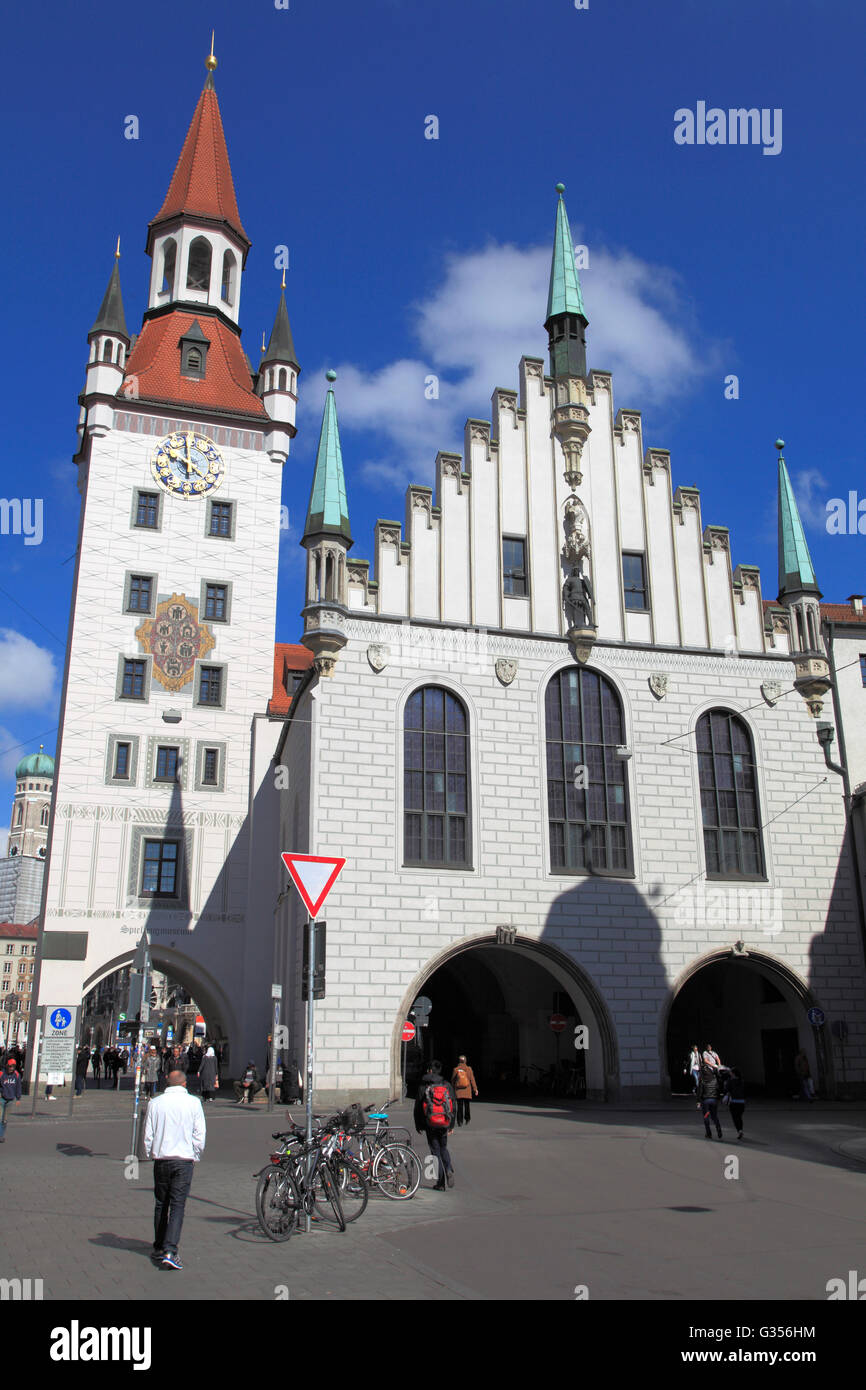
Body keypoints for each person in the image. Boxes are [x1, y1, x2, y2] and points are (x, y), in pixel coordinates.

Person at [143, 1069, 206, 1271]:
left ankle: (159, 1246)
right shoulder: (194, 1103)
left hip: (161, 1159)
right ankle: (171, 1250)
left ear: (167, 1084)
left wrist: (149, 1153)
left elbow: (148, 1133)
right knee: (178, 1205)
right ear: (185, 1084)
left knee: (161, 1203)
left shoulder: (155, 1103)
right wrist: (196, 1154)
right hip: (184, 1160)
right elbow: (200, 1133)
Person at [414, 1059, 456, 1189]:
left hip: (430, 1123)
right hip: (443, 1122)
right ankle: (448, 1168)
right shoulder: (446, 1085)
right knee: (443, 1148)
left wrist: (418, 1125)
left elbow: (418, 1107)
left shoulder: (424, 1086)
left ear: (430, 1070)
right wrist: (451, 1125)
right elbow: (453, 1105)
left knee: (435, 1151)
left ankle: (440, 1183)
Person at [451, 1055, 479, 1126]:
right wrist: (475, 1089)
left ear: (459, 1061)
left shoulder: (456, 1069)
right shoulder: (469, 1069)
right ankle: (467, 1118)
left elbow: (453, 1080)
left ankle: (460, 1121)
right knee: (467, 1105)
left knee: (459, 1106)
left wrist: (452, 1089)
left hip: (458, 1091)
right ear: (465, 1061)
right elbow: (472, 1079)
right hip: (467, 1091)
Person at [698, 1063, 723, 1140]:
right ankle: (718, 1128)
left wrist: (698, 1101)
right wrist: (718, 1098)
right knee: (714, 1116)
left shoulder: (702, 1081)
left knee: (706, 1116)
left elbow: (700, 1092)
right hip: (714, 1100)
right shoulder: (714, 1079)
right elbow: (718, 1089)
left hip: (706, 1100)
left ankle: (708, 1133)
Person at [0, 1058, 22, 1142]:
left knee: (5, 1120)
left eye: (13, 1066)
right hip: (2, 1099)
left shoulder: (16, 1075)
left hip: (10, 1099)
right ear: (7, 1066)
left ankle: (1, 1135)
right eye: (10, 1066)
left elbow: (18, 1087)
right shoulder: (2, 1074)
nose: (11, 1068)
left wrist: (18, 1098)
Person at [722, 1066, 745, 1140]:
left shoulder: (730, 1081)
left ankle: (739, 1130)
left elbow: (726, 1090)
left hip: (734, 1102)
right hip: (742, 1102)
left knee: (735, 1118)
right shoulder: (741, 1081)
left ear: (733, 1074)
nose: (730, 1073)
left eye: (731, 1072)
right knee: (739, 1117)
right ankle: (740, 1129)